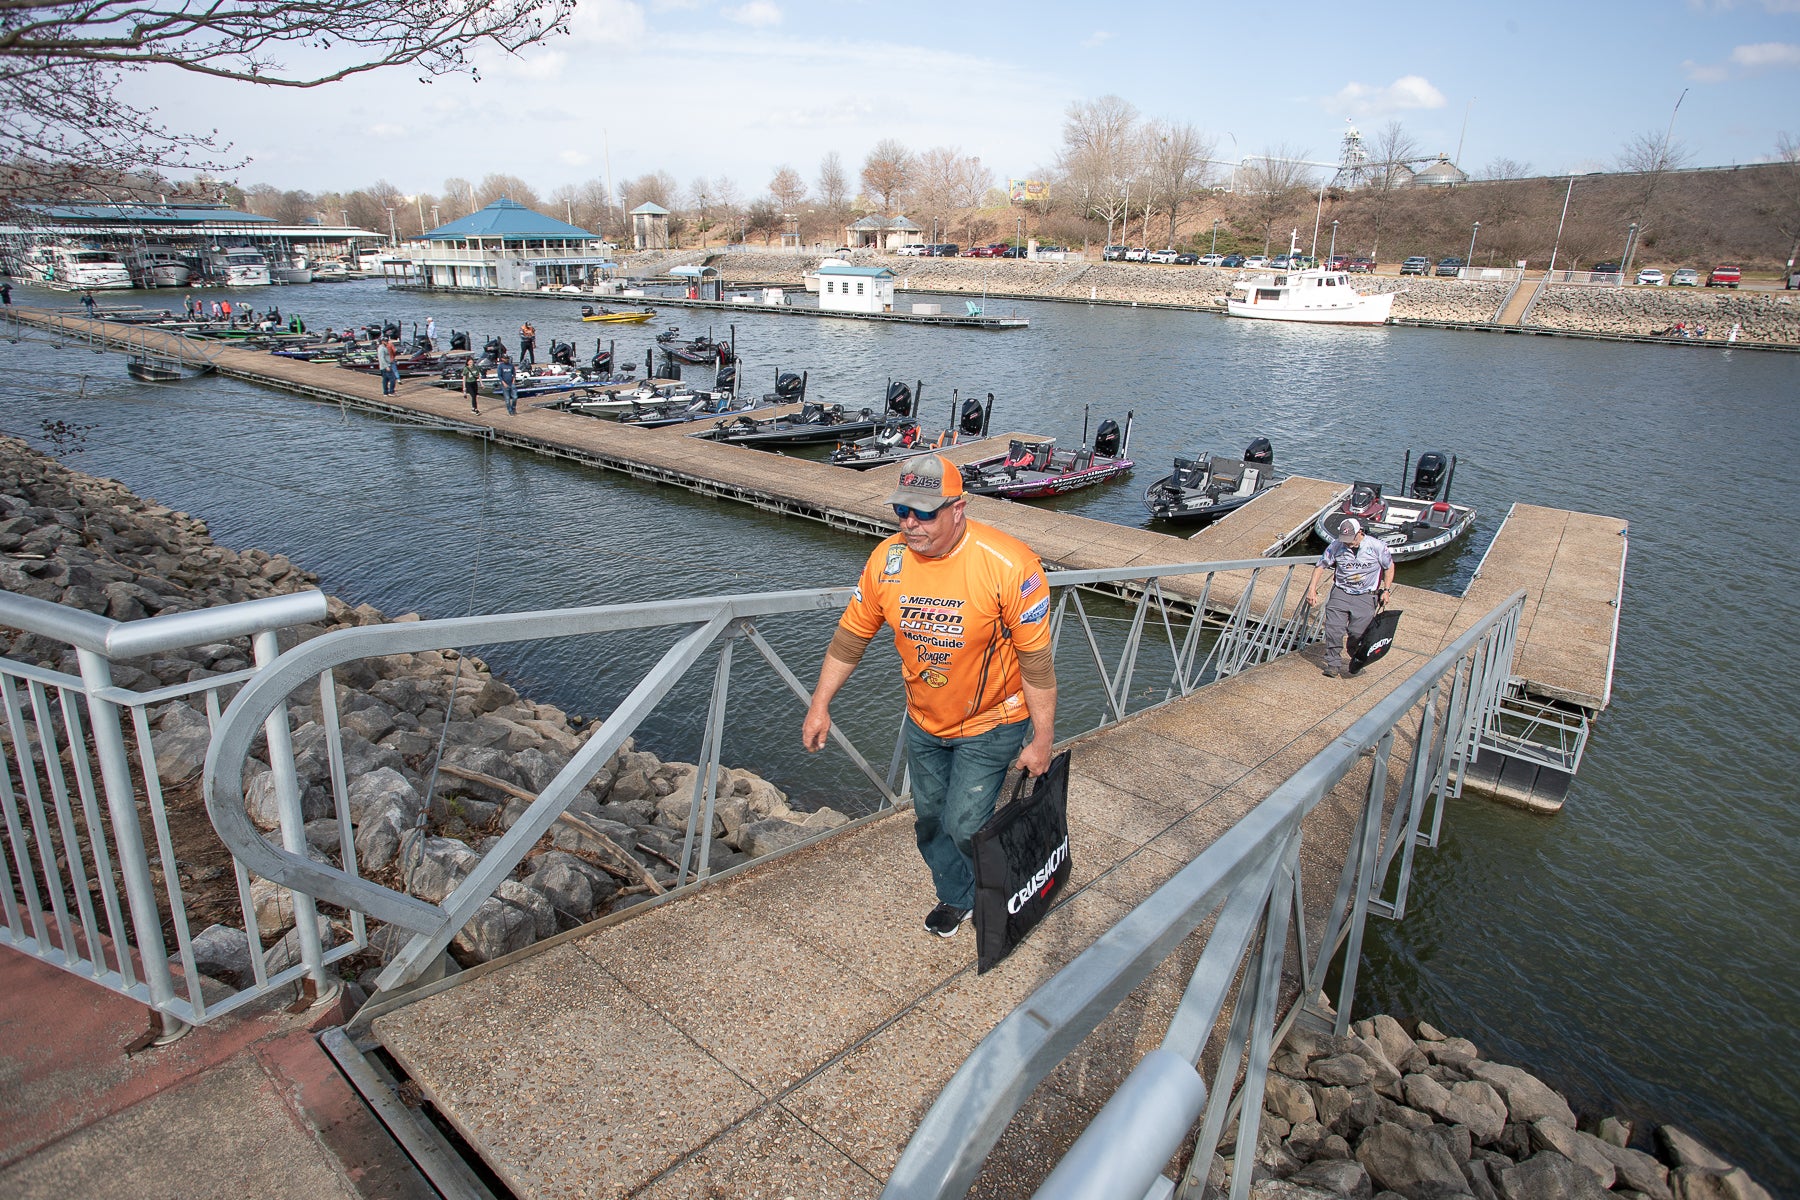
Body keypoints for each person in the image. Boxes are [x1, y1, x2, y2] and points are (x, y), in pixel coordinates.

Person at [801, 454, 1057, 938]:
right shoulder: (887, 560)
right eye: (902, 511)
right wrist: (820, 704)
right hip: (923, 720)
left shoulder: (1011, 566)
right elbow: (852, 636)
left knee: (964, 823)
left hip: (992, 721)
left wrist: (1042, 737)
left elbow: (1036, 662)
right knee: (931, 820)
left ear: (958, 509)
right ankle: (958, 895)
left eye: (924, 513)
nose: (909, 523)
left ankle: (1003, 883)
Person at [1305, 516, 1395, 679]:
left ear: (1360, 532)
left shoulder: (1376, 547)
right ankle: (1333, 664)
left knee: (1357, 633)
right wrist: (1312, 589)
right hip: (1341, 592)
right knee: (1334, 629)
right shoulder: (1336, 546)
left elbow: (1389, 567)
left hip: (1366, 595)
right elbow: (1320, 566)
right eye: (1344, 539)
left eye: (1350, 539)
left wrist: (1387, 590)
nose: (1347, 543)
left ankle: (1356, 656)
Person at [495, 350, 518, 415]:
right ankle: (510, 411)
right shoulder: (500, 366)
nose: (507, 360)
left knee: (515, 397)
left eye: (507, 358)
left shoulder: (511, 365)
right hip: (505, 384)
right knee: (507, 399)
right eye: (505, 358)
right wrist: (504, 383)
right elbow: (499, 376)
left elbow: (514, 374)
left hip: (511, 383)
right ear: (502, 359)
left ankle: (513, 407)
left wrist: (513, 381)